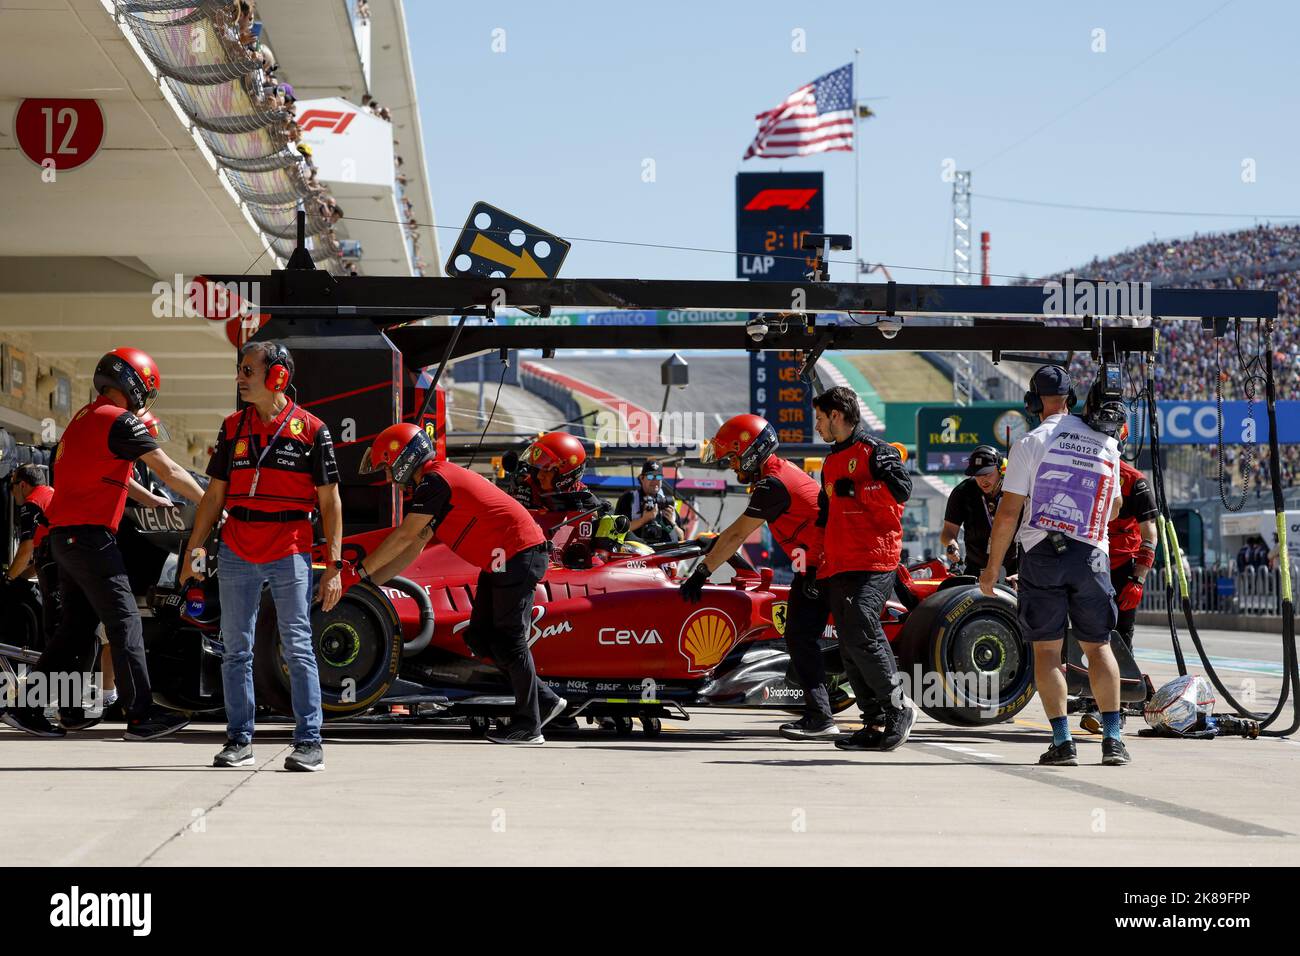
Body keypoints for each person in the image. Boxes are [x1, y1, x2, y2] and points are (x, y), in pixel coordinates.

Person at [4, 348, 204, 740]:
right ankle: (141, 716)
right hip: (91, 538)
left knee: (75, 630)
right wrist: (212, 502)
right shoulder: (122, 422)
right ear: (136, 385)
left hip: (65, 540)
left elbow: (111, 474)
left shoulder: (84, 419)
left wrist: (151, 500)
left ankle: (25, 708)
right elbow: (171, 469)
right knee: (125, 621)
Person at [346, 422, 566, 745]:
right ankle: (544, 700)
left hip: (519, 553)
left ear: (403, 459)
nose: (389, 478)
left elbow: (404, 536)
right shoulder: (432, 486)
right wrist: (367, 585)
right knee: (479, 635)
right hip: (504, 558)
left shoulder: (435, 482)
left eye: (388, 468)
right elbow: (414, 548)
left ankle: (528, 725)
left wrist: (359, 571)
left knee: (509, 638)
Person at [183, 342, 342, 773]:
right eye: (240, 369)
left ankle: (309, 742)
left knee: (297, 646)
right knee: (235, 647)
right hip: (236, 547)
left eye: (248, 370)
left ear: (277, 377)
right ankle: (239, 740)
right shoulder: (232, 426)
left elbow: (330, 503)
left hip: (290, 547)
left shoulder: (312, 430)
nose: (240, 377)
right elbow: (215, 494)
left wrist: (335, 567)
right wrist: (195, 547)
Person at [980, 365, 1129, 766]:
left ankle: (1063, 742)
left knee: (1048, 652)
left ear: (1033, 402)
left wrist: (992, 567)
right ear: (1072, 398)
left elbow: (1009, 513)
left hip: (1043, 555)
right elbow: (1114, 508)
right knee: (1098, 647)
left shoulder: (1030, 442)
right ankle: (1113, 740)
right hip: (1092, 555)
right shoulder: (1106, 442)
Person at [683, 413, 837, 739]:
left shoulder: (773, 484)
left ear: (751, 451)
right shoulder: (776, 475)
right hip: (817, 566)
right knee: (801, 636)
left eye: (734, 458)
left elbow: (736, 535)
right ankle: (822, 714)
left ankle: (831, 715)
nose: (731, 466)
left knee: (809, 637)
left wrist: (701, 572)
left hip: (826, 567)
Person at [810, 387, 917, 752]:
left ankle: (898, 707)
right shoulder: (830, 461)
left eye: (821, 418)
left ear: (837, 415)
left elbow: (901, 490)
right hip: (840, 563)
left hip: (875, 559)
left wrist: (857, 491)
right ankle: (873, 720)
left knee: (861, 626)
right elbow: (824, 515)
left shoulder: (877, 451)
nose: (818, 425)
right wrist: (816, 563)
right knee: (849, 638)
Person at [1078, 454, 1159, 733]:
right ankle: (1091, 696)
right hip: (1086, 562)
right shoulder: (1080, 467)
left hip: (1123, 566)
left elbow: (1150, 533)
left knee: (1121, 636)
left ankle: (1117, 705)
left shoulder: (1135, 482)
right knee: (1085, 634)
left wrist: (1138, 580)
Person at [939, 445, 1018, 578]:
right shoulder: (962, 492)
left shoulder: (1016, 491)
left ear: (1000, 469)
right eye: (977, 474)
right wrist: (951, 545)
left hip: (1014, 570)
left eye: (987, 473)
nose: (982, 480)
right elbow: (948, 532)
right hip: (976, 571)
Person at [615, 459, 695, 546]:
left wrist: (672, 523)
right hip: (635, 552)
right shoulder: (628, 499)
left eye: (659, 477)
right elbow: (617, 530)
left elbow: (681, 537)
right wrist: (643, 520)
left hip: (661, 553)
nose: (655, 481)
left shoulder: (667, 502)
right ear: (642, 478)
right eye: (650, 476)